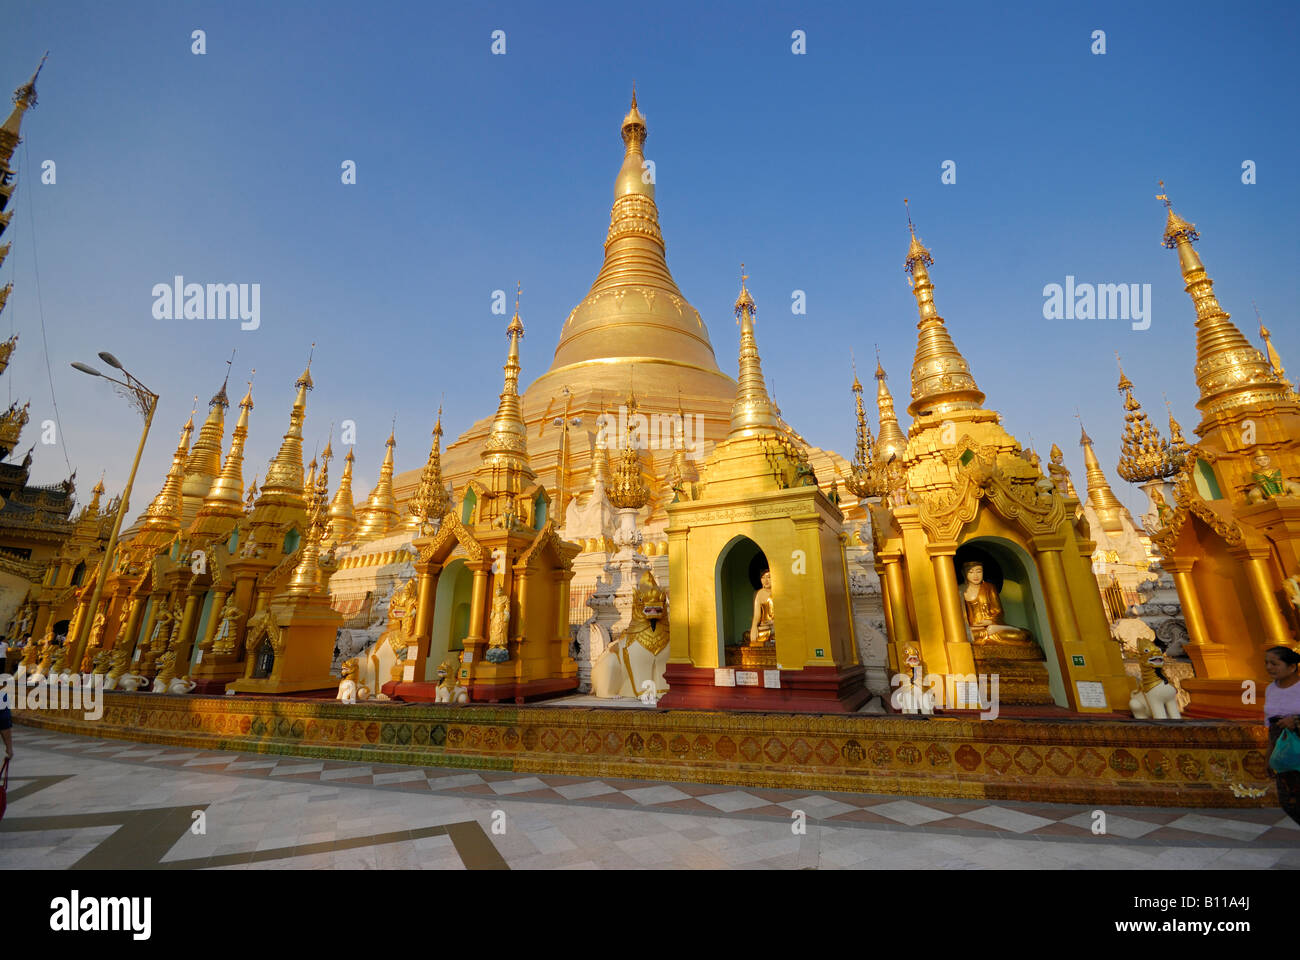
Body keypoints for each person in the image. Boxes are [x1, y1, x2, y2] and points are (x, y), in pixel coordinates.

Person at [1263, 645, 1300, 826]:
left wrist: (1296, 721)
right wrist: (1269, 753)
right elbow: (1270, 723)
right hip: (1282, 749)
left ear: (1292, 667)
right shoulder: (1271, 689)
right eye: (1267, 663)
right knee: (1288, 801)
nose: (1269, 667)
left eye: (1274, 664)